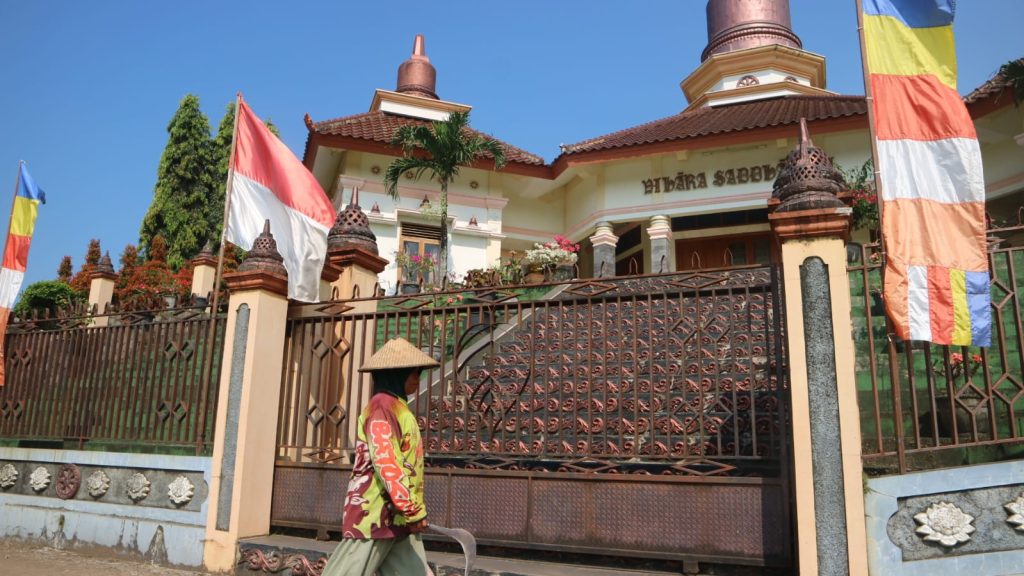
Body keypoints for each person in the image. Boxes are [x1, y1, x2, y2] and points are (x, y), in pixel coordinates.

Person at [321, 337, 439, 576]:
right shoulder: (382, 408)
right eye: (414, 373)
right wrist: (413, 509)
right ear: (397, 374)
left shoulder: (397, 407)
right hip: (373, 514)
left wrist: (410, 511)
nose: (417, 380)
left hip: (398, 518)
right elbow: (387, 463)